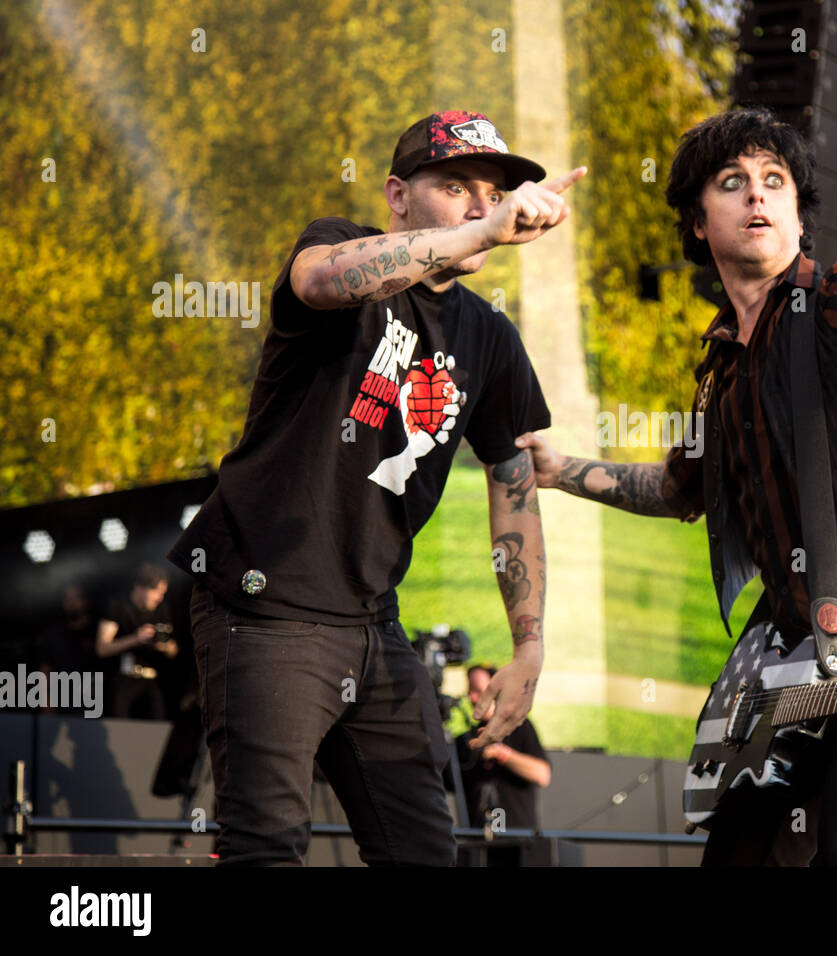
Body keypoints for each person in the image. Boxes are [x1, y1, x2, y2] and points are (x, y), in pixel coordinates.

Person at [517, 68, 837, 865]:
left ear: (794, 211)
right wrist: (559, 467)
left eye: (775, 181)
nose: (758, 196)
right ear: (697, 221)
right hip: (800, 662)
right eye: (733, 182)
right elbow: (679, 491)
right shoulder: (720, 369)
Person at [167, 109, 584, 865]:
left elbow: (513, 486)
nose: (479, 205)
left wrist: (529, 648)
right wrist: (479, 235)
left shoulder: (490, 339)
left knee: (423, 850)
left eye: (491, 193)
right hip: (266, 604)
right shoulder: (338, 249)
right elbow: (321, 280)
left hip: (372, 623)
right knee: (265, 845)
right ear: (396, 195)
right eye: (456, 187)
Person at [452, 663, 551, 865]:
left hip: (517, 844)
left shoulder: (520, 727)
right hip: (478, 846)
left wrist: (503, 754)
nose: (472, 698)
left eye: (479, 691)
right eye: (470, 691)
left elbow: (542, 774)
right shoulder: (463, 741)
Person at [96, 562, 178, 720]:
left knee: (157, 728)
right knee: (120, 728)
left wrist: (164, 646)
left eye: (163, 594)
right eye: (156, 592)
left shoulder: (162, 609)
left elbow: (174, 649)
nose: (159, 598)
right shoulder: (118, 606)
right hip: (123, 677)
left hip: (151, 678)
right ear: (140, 587)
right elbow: (102, 648)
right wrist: (136, 639)